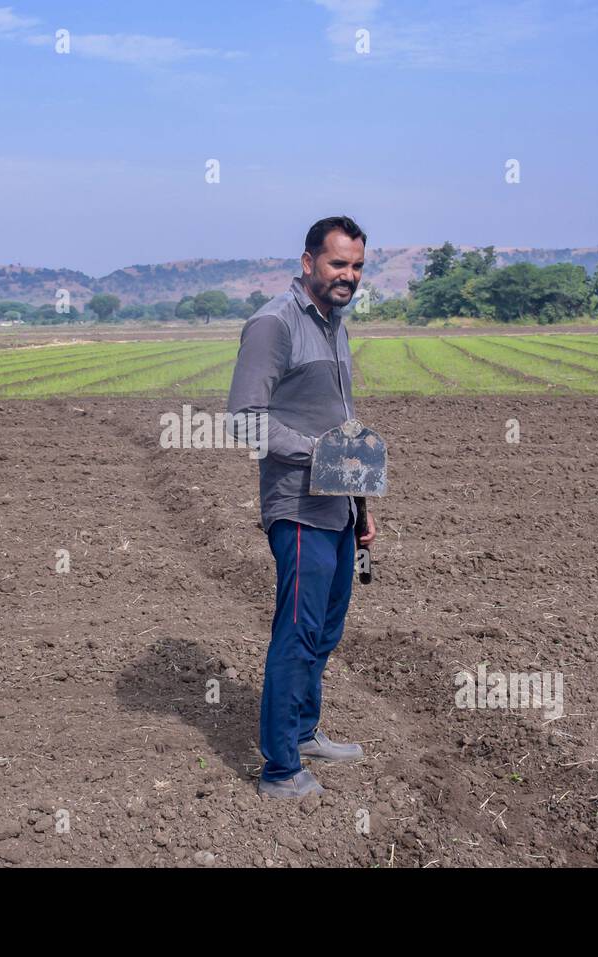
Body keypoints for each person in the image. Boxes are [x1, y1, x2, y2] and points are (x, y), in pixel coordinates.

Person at [226, 215, 377, 799]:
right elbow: (244, 420)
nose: (349, 275)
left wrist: (361, 504)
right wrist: (319, 456)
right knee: (297, 631)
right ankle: (280, 768)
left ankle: (305, 732)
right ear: (309, 261)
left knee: (325, 630)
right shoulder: (274, 323)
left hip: (338, 506)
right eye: (338, 263)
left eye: (357, 266)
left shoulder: (334, 324)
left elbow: (342, 423)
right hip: (297, 506)